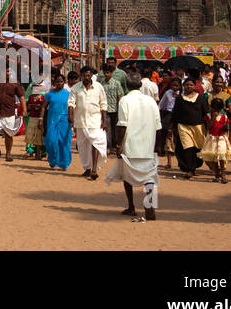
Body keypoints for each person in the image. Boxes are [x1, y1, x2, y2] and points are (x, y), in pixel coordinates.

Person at [109, 69, 161, 222]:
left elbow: (122, 125)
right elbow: (158, 126)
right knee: (150, 177)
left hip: (130, 144)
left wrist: (118, 144)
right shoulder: (151, 101)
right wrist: (157, 146)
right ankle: (149, 204)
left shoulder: (124, 100)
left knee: (127, 176)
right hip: (148, 145)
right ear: (140, 84)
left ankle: (131, 206)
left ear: (126, 84)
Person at [71, 65, 108, 181]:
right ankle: (87, 168)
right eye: (84, 75)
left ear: (92, 75)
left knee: (95, 143)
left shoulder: (99, 87)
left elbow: (103, 103)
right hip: (80, 121)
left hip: (95, 120)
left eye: (89, 75)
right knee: (82, 146)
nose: (87, 77)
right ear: (81, 76)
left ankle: (94, 170)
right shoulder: (76, 88)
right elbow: (71, 103)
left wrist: (104, 120)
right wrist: (70, 117)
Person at [171, 74, 208, 178]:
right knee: (187, 148)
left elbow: (205, 112)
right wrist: (172, 127)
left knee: (198, 149)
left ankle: (194, 167)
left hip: (198, 127)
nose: (189, 87)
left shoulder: (200, 98)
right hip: (183, 126)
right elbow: (175, 113)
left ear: (195, 86)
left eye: (191, 85)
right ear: (183, 86)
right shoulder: (179, 99)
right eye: (186, 85)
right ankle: (190, 169)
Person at [0, 74, 25, 162]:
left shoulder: (15, 83)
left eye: (8, 70)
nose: (7, 72)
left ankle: (8, 153)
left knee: (9, 134)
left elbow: (21, 97)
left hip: (9, 112)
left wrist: (24, 110)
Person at [199, 98, 231, 184]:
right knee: (213, 157)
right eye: (214, 107)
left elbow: (226, 128)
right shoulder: (208, 116)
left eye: (218, 108)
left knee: (221, 155)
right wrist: (213, 117)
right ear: (211, 107)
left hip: (221, 138)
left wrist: (225, 127)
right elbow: (209, 127)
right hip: (212, 138)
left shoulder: (224, 116)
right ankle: (216, 174)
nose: (216, 109)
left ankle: (223, 174)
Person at [41, 72, 72, 170]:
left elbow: (72, 107)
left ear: (64, 82)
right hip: (52, 120)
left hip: (65, 121)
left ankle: (64, 163)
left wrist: (73, 120)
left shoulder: (69, 94)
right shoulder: (49, 94)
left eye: (61, 82)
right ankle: (53, 160)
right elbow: (43, 107)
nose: (59, 83)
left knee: (64, 142)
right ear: (54, 82)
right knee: (51, 140)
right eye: (57, 82)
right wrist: (40, 119)